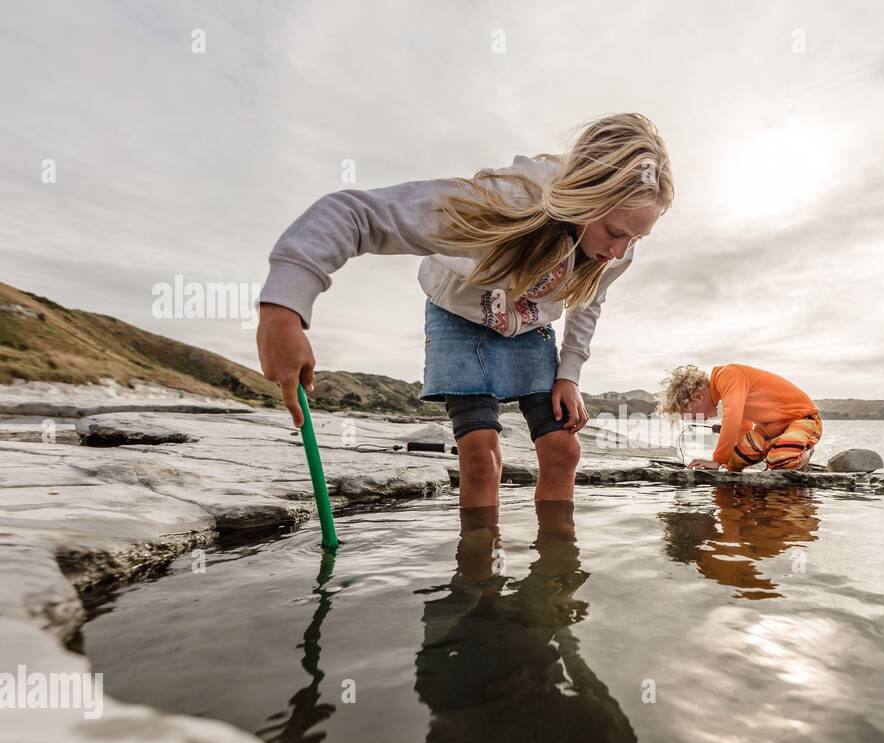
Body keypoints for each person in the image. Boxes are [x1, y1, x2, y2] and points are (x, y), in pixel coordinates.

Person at [255, 112, 674, 507]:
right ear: (584, 197)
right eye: (615, 232)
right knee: (479, 457)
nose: (619, 252)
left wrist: (569, 375)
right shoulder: (502, 202)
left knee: (563, 449)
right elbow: (354, 215)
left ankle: (557, 572)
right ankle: (478, 578)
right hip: (457, 317)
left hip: (529, 327)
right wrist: (283, 309)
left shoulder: (616, 253)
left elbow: (588, 304)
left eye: (637, 239)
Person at [658, 363, 822, 472]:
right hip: (769, 431)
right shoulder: (726, 390)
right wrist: (726, 461)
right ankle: (779, 447)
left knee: (779, 459)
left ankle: (804, 452)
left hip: (801, 419)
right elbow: (742, 425)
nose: (700, 420)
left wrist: (716, 460)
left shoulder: (727, 376)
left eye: (694, 416)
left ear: (697, 397)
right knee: (733, 463)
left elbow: (732, 419)